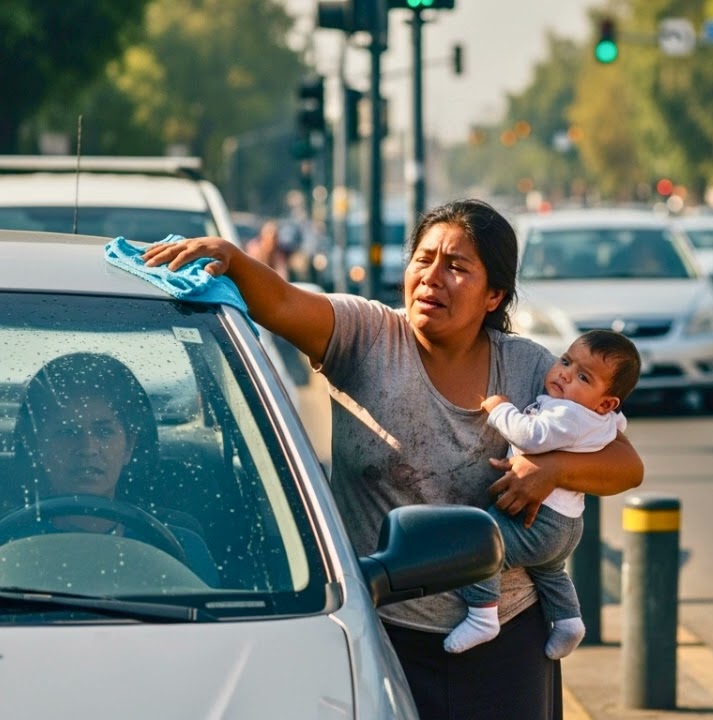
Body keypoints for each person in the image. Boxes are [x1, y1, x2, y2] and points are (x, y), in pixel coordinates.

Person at [141, 198, 644, 720]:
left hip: (508, 645)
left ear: (494, 295)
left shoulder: (529, 367)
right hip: (379, 635)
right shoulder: (366, 335)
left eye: (456, 267)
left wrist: (553, 471)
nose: (432, 278)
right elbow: (285, 304)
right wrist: (234, 259)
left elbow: (626, 463)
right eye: (423, 260)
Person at [445, 329, 640, 659]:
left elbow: (530, 436)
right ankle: (568, 621)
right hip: (565, 523)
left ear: (606, 402)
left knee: (482, 549)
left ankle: (483, 616)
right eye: (565, 361)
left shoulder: (569, 414)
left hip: (538, 520)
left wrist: (499, 409)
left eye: (582, 376)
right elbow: (615, 429)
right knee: (549, 573)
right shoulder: (600, 417)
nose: (564, 373)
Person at [9, 352, 219, 584]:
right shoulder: (8, 544)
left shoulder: (180, 548)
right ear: (38, 447)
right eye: (67, 431)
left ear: (129, 446)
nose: (88, 448)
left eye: (104, 432)